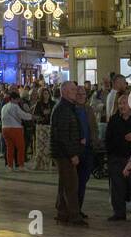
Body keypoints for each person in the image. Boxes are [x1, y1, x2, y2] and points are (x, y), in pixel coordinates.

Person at [50, 81, 86, 226]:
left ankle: (62, 212)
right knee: (71, 185)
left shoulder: (68, 107)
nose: (75, 92)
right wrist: (73, 154)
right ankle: (74, 216)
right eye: (72, 89)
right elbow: (63, 136)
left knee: (65, 183)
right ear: (64, 92)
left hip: (64, 152)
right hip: (64, 154)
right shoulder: (63, 109)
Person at [104, 95, 131, 222]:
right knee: (117, 187)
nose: (121, 106)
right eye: (120, 103)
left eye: (124, 103)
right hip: (117, 158)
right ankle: (119, 212)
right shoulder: (114, 120)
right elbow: (108, 139)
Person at [73, 84, 94, 211]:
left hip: (88, 148)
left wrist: (94, 141)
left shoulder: (88, 109)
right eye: (79, 94)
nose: (81, 97)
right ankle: (74, 209)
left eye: (83, 94)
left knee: (83, 180)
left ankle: (78, 208)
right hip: (76, 150)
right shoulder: (72, 110)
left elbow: (93, 127)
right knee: (76, 182)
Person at [1, 93, 34, 169]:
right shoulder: (15, 106)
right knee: (21, 147)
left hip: (5, 129)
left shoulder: (4, 107)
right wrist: (31, 116)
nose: (18, 101)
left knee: (9, 148)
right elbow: (22, 115)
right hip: (15, 128)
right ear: (12, 99)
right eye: (17, 99)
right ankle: (21, 165)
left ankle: (10, 166)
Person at [31, 87, 54, 171]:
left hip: (49, 126)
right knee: (40, 146)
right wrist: (41, 116)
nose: (46, 95)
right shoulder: (39, 104)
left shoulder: (52, 104)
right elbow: (34, 116)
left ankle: (47, 164)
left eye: (47, 93)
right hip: (41, 126)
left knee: (48, 146)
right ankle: (38, 164)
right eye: (44, 94)